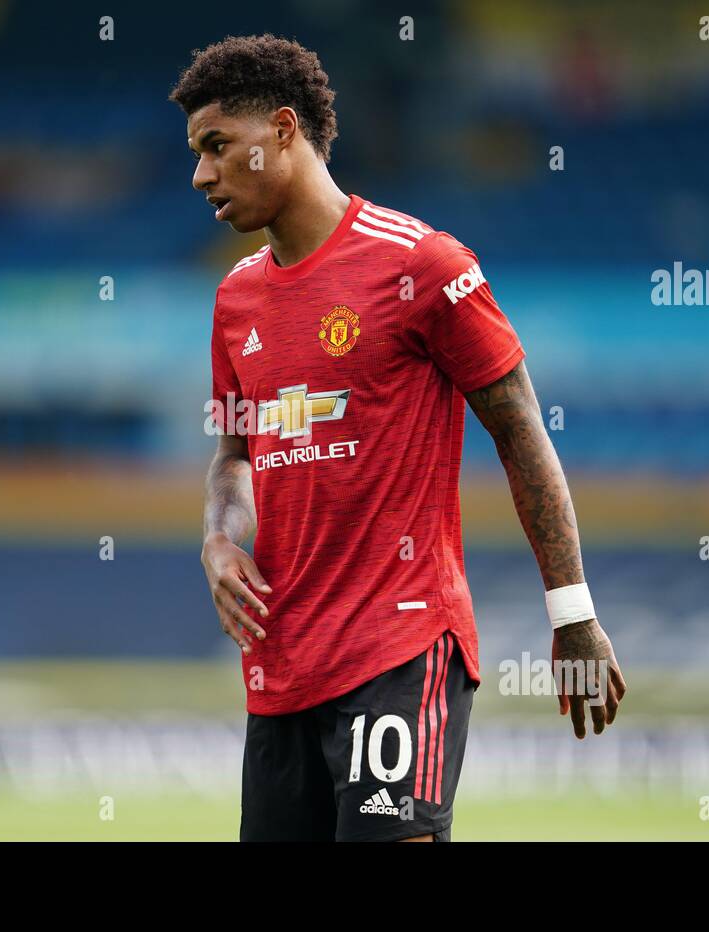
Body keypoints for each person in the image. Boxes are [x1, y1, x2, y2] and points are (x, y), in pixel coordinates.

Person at [172, 34, 626, 842]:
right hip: (279, 667)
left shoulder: (423, 266)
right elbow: (233, 460)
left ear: (283, 130)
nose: (201, 174)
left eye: (216, 146)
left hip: (399, 644)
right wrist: (216, 539)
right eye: (197, 152)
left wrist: (573, 613)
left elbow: (522, 436)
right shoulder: (235, 300)